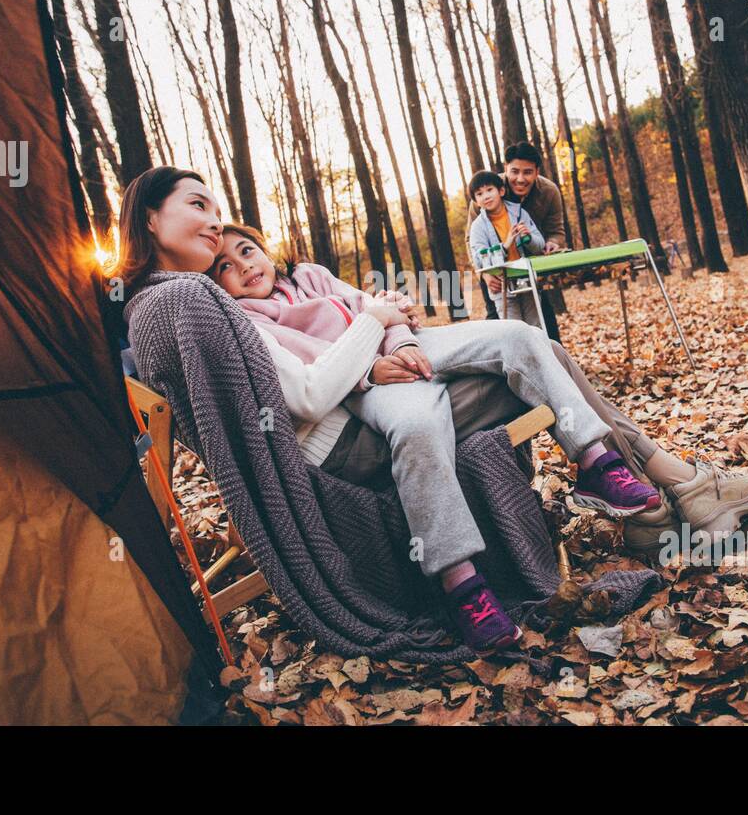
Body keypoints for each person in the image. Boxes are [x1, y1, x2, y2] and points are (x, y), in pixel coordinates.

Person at [117, 167, 748, 653]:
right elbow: (311, 390)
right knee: (539, 352)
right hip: (360, 424)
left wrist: (393, 335)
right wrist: (371, 349)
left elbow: (363, 326)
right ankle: (673, 487)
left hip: (387, 374)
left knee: (532, 345)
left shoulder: (219, 293)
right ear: (148, 215)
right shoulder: (198, 302)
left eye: (231, 227)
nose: (216, 227)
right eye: (196, 207)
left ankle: (650, 483)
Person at [208, 223, 661, 652]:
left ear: (266, 249)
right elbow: (316, 374)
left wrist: (402, 343)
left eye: (247, 251)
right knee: (417, 426)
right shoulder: (248, 320)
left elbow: (377, 308)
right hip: (363, 386)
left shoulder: (312, 275)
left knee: (519, 336)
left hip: (401, 347)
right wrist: (371, 371)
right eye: (225, 266)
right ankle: (462, 586)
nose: (244, 266)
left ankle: (596, 462)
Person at [466, 142, 566, 339]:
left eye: (528, 172)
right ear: (506, 169)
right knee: (500, 325)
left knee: (543, 323)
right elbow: (471, 240)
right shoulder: (486, 193)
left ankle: (552, 362)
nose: (520, 179)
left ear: (537, 171)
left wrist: (552, 242)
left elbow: (556, 231)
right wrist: (485, 274)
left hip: (529, 270)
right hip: (496, 272)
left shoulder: (549, 192)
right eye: (514, 171)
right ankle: (504, 368)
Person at [466, 170, 546, 327]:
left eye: (490, 190)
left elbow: (540, 245)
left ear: (501, 191)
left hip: (526, 279)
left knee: (536, 327)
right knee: (513, 329)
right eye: (480, 194)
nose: (486, 196)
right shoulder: (478, 227)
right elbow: (478, 259)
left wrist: (527, 238)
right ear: (476, 201)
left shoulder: (519, 213)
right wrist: (505, 246)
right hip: (502, 286)